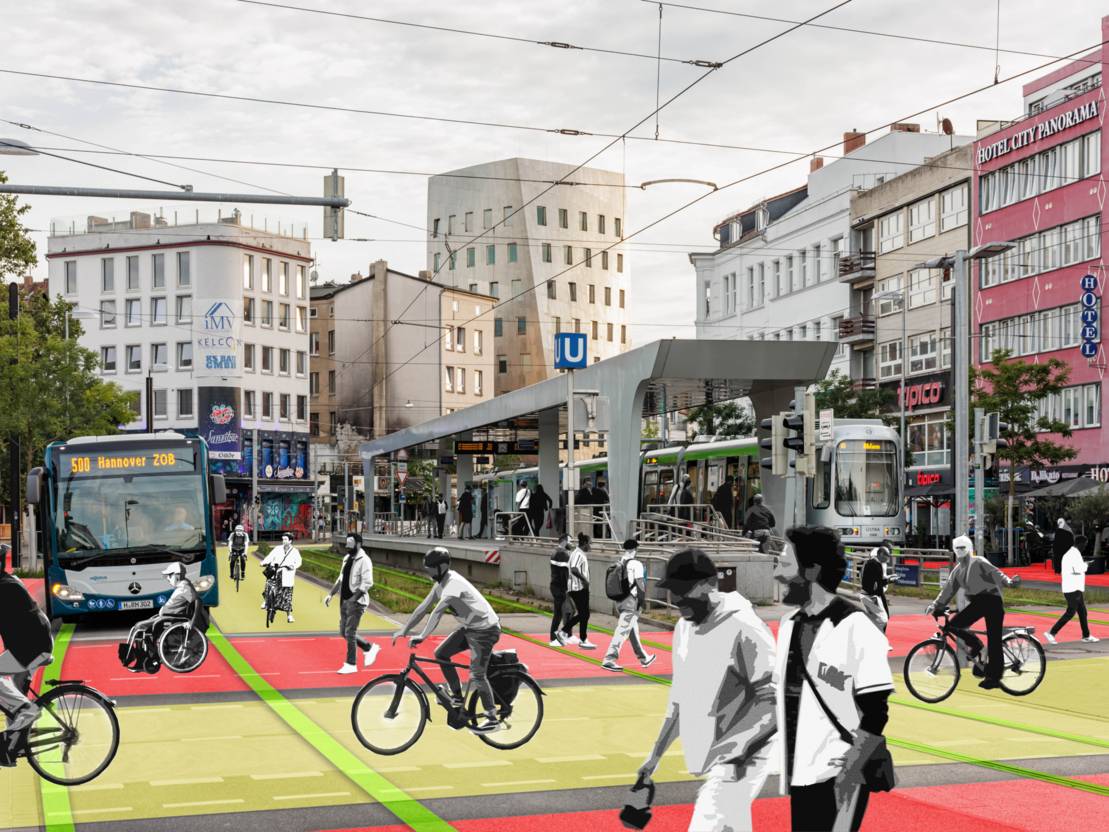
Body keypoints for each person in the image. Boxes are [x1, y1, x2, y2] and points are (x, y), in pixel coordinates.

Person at [639, 548, 776, 831]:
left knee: (708, 821)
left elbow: (771, 699)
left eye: (682, 590)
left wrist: (735, 750)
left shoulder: (744, 625)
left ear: (709, 585)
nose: (676, 599)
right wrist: (654, 757)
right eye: (672, 590)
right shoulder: (684, 629)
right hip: (716, 757)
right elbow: (679, 701)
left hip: (746, 756)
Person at [773, 526, 893, 832]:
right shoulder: (789, 624)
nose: (777, 574)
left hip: (841, 772)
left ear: (811, 571)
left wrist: (850, 772)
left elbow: (876, 710)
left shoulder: (856, 627)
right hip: (800, 771)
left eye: (785, 565)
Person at [393, 547, 503, 733]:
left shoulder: (453, 584)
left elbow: (436, 612)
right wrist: (405, 629)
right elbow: (424, 607)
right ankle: (457, 696)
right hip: (470, 628)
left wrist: (422, 635)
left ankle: (492, 718)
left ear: (442, 567)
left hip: (485, 630)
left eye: (430, 568)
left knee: (477, 674)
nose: (428, 572)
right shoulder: (440, 583)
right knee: (441, 653)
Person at [927, 534, 1020, 690]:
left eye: (963, 547)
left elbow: (996, 573)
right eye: (958, 548)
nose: (960, 551)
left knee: (994, 638)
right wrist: (936, 605)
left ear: (969, 548)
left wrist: (1009, 582)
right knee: (953, 625)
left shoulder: (979, 562)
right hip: (978, 602)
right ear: (954, 550)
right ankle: (976, 645)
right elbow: (948, 590)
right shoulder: (957, 570)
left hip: (992, 600)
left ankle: (994, 677)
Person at [0, 544, 54, 766]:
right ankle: (10, 750)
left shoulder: (4, 587)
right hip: (30, 644)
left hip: (31, 648)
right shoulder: (8, 581)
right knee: (11, 691)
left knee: (17, 702)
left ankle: (26, 710)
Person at [325, 533, 381, 673]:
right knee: (343, 632)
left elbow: (367, 583)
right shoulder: (346, 558)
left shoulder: (365, 560)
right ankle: (369, 648)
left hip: (356, 602)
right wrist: (331, 594)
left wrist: (353, 599)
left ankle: (351, 664)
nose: (348, 547)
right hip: (344, 601)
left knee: (350, 632)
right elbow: (340, 579)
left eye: (351, 544)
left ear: (358, 544)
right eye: (347, 544)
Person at [602, 538, 656, 671]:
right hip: (631, 602)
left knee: (632, 631)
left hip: (619, 601)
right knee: (622, 631)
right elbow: (640, 585)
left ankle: (644, 658)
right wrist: (641, 603)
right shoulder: (636, 564)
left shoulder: (620, 561)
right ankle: (609, 659)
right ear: (635, 549)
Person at [1045, 534, 1099, 645]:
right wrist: (1085, 565)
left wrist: (1083, 564)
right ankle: (1051, 633)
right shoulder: (1073, 554)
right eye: (1085, 545)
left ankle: (1086, 635)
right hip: (1072, 588)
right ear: (1080, 544)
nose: (1085, 547)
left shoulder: (1073, 553)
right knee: (1071, 612)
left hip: (1074, 587)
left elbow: (1075, 569)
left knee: (1082, 612)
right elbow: (1078, 570)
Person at [560, 532, 597, 648]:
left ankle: (581, 638)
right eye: (589, 544)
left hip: (580, 587)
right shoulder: (578, 554)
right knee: (584, 614)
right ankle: (566, 632)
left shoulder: (579, 553)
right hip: (578, 587)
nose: (590, 546)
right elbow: (574, 569)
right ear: (585, 543)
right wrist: (584, 580)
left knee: (584, 614)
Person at [261, 533, 302, 624]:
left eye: (286, 539)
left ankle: (289, 616)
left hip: (286, 574)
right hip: (275, 571)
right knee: (268, 584)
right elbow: (270, 557)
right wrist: (263, 562)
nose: (284, 541)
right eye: (283, 539)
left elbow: (299, 562)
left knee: (286, 596)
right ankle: (266, 601)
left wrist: (292, 566)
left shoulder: (295, 551)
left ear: (290, 541)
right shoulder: (277, 549)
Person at [860, 544, 892, 627]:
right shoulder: (872, 564)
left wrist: (888, 580)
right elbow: (874, 584)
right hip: (870, 596)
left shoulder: (877, 565)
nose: (887, 558)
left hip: (873, 596)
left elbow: (879, 582)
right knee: (882, 619)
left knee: (880, 619)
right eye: (886, 556)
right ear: (880, 554)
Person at [549, 534, 572, 646]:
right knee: (559, 613)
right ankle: (554, 638)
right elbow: (564, 574)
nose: (571, 543)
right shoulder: (561, 554)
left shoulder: (556, 552)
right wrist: (568, 588)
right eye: (570, 541)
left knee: (567, 611)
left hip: (557, 586)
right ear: (564, 541)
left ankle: (565, 635)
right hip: (560, 587)